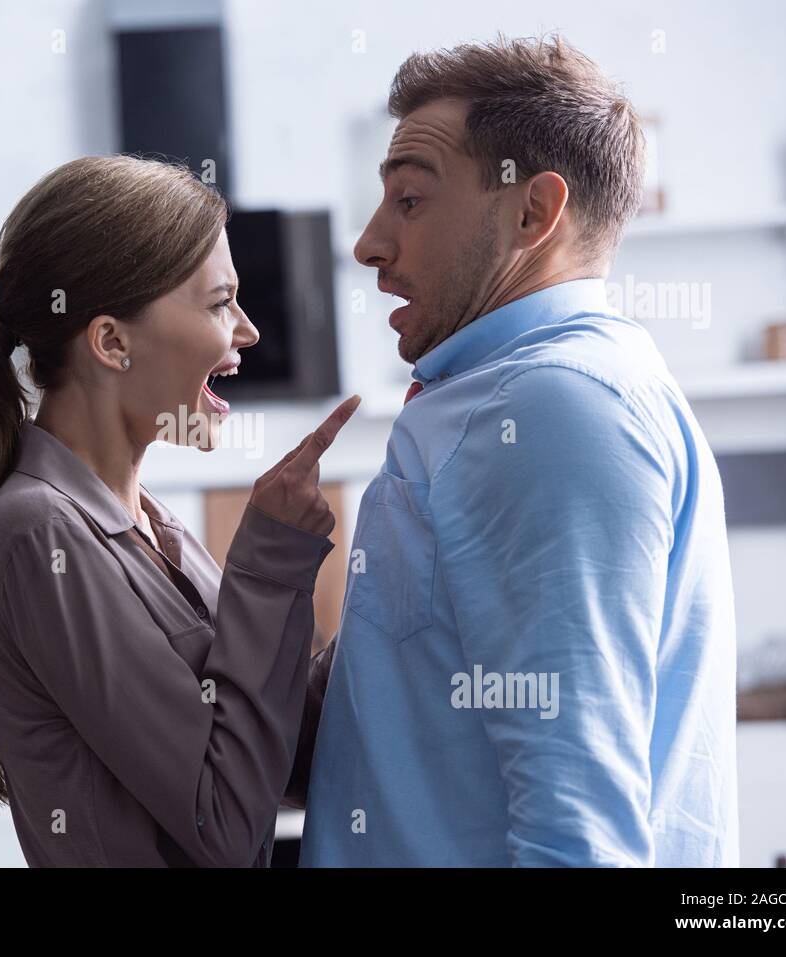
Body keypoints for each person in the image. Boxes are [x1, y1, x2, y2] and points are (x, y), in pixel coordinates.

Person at [291, 35, 739, 866]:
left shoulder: (549, 408)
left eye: (411, 201)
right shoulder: (513, 395)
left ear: (533, 212)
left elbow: (581, 833)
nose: (369, 245)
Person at [0, 154, 361, 867]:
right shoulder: (42, 534)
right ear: (111, 341)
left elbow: (288, 756)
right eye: (219, 303)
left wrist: (399, 560)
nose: (245, 331)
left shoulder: (152, 527)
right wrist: (270, 564)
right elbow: (224, 823)